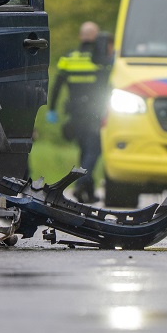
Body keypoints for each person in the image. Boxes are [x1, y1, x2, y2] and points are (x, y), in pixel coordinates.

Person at [46, 21, 112, 203]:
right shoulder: (101, 59)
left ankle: (88, 193)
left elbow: (57, 85)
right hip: (94, 112)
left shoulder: (69, 57)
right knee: (94, 150)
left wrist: (52, 109)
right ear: (97, 37)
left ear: (80, 37)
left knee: (84, 150)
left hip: (74, 113)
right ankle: (80, 184)